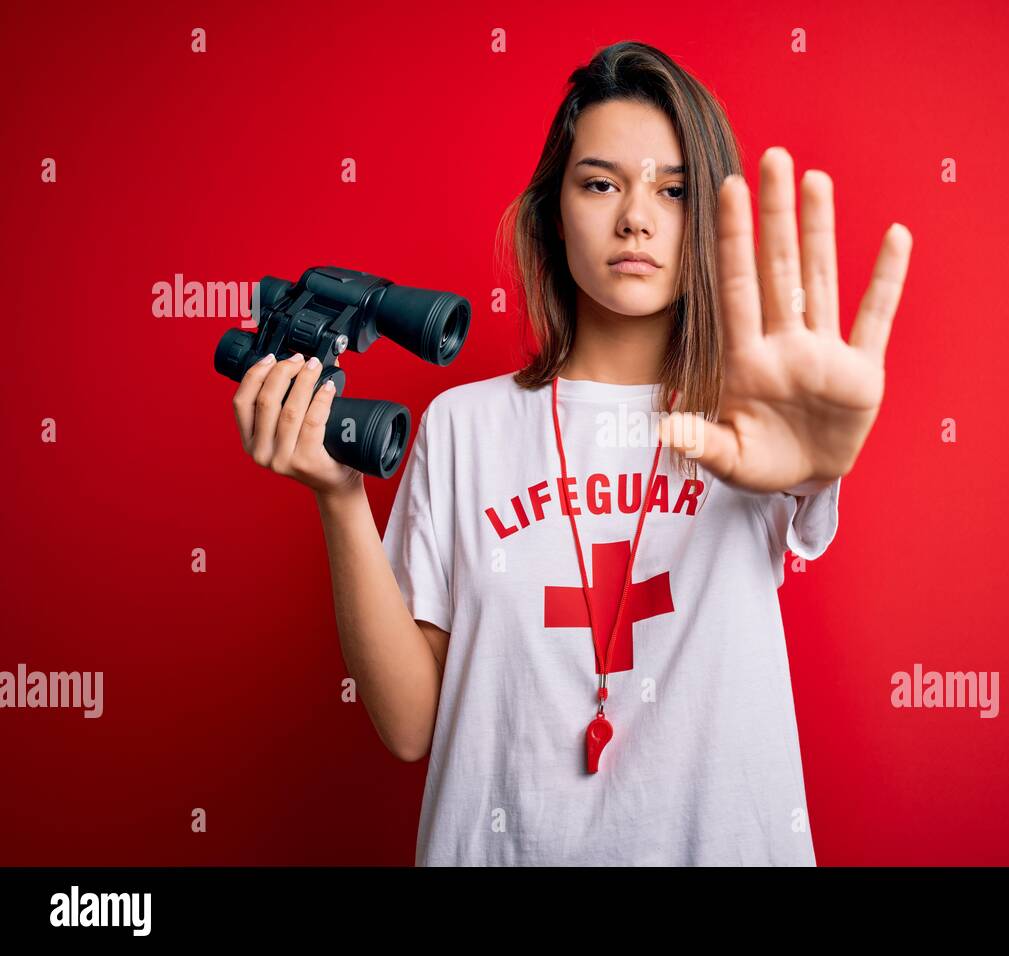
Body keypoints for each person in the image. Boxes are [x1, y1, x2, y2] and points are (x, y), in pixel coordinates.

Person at [230, 40, 911, 866]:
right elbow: (410, 726)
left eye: (675, 189)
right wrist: (337, 497)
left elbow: (799, 463)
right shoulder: (462, 427)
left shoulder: (755, 419)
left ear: (711, 221)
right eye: (600, 183)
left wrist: (818, 463)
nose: (636, 216)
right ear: (555, 211)